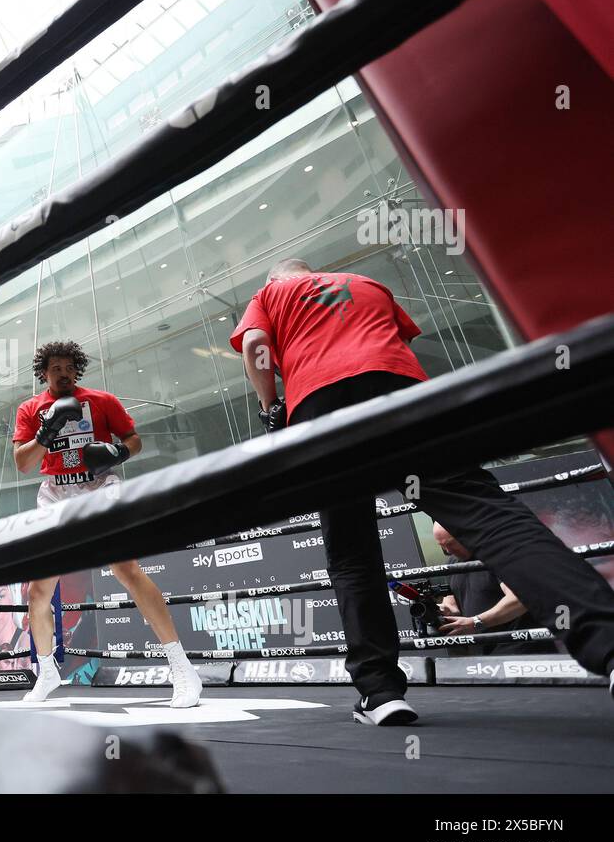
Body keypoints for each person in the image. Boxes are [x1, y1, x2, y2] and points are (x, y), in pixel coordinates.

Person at [232, 258, 614, 723]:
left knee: (352, 549)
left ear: (274, 280)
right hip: (402, 393)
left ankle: (380, 693)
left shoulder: (270, 295)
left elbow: (254, 345)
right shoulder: (367, 282)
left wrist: (271, 409)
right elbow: (400, 341)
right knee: (487, 514)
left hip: (321, 407)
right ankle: (608, 642)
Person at [13, 339, 202, 707]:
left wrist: (117, 451)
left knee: (125, 568)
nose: (64, 374)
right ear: (43, 372)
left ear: (77, 370)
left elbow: (134, 440)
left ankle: (182, 668)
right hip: (55, 494)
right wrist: (45, 433)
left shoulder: (101, 401)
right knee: (39, 590)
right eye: (57, 369)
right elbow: (22, 464)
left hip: (100, 486)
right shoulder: (31, 409)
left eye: (70, 368)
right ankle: (47, 672)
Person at [432, 523, 559, 655]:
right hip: (483, 653)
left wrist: (476, 622)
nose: (448, 550)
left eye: (451, 544)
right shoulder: (452, 563)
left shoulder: (498, 554)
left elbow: (520, 599)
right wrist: (442, 610)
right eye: (442, 546)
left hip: (521, 650)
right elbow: (451, 605)